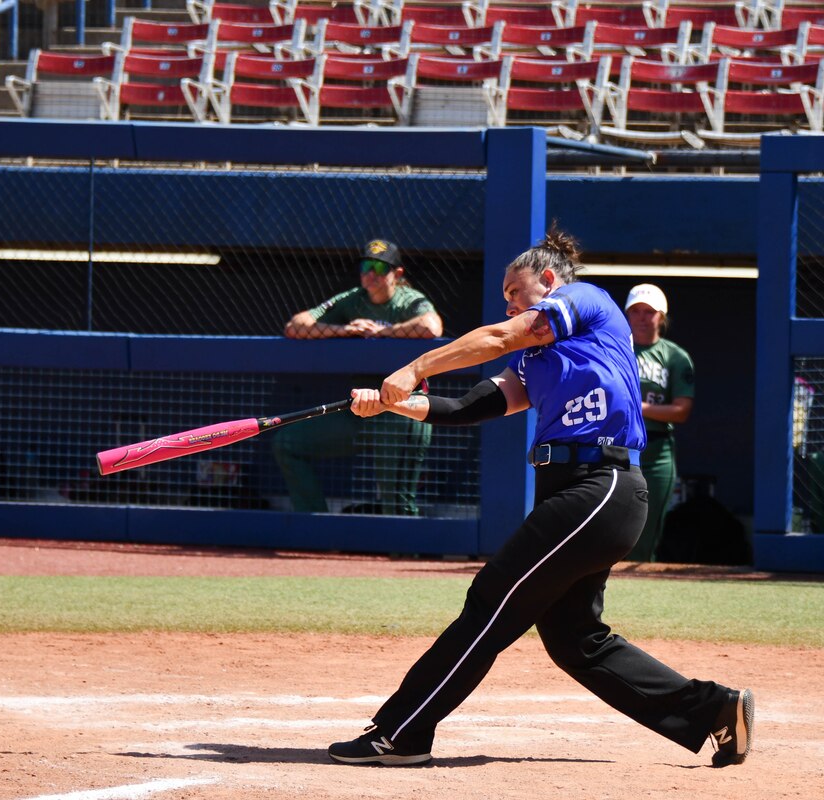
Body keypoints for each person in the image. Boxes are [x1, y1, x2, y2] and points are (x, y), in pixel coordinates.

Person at [328, 228, 753, 768]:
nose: (508, 303)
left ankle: (402, 732)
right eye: (504, 296)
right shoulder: (535, 359)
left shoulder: (584, 299)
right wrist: (393, 403)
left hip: (602, 484)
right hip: (577, 492)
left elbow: (503, 336)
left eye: (514, 290)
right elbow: (471, 406)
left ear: (548, 279)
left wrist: (416, 367)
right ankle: (715, 711)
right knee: (575, 638)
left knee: (491, 599)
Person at [274, 239, 443, 515]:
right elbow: (296, 326)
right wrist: (346, 330)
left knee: (396, 505)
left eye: (379, 267)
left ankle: (406, 542)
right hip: (359, 411)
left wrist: (382, 331)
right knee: (288, 444)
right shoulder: (354, 299)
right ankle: (318, 527)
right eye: (366, 266)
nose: (371, 274)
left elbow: (432, 326)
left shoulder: (409, 299)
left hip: (401, 412)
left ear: (397, 273)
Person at [624, 284, 695, 562]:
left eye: (649, 312)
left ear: (661, 316)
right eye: (636, 311)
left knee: (646, 530)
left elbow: (681, 410)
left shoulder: (675, 356)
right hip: (618, 447)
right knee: (612, 525)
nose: (642, 317)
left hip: (657, 451)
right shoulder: (614, 349)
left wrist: (639, 408)